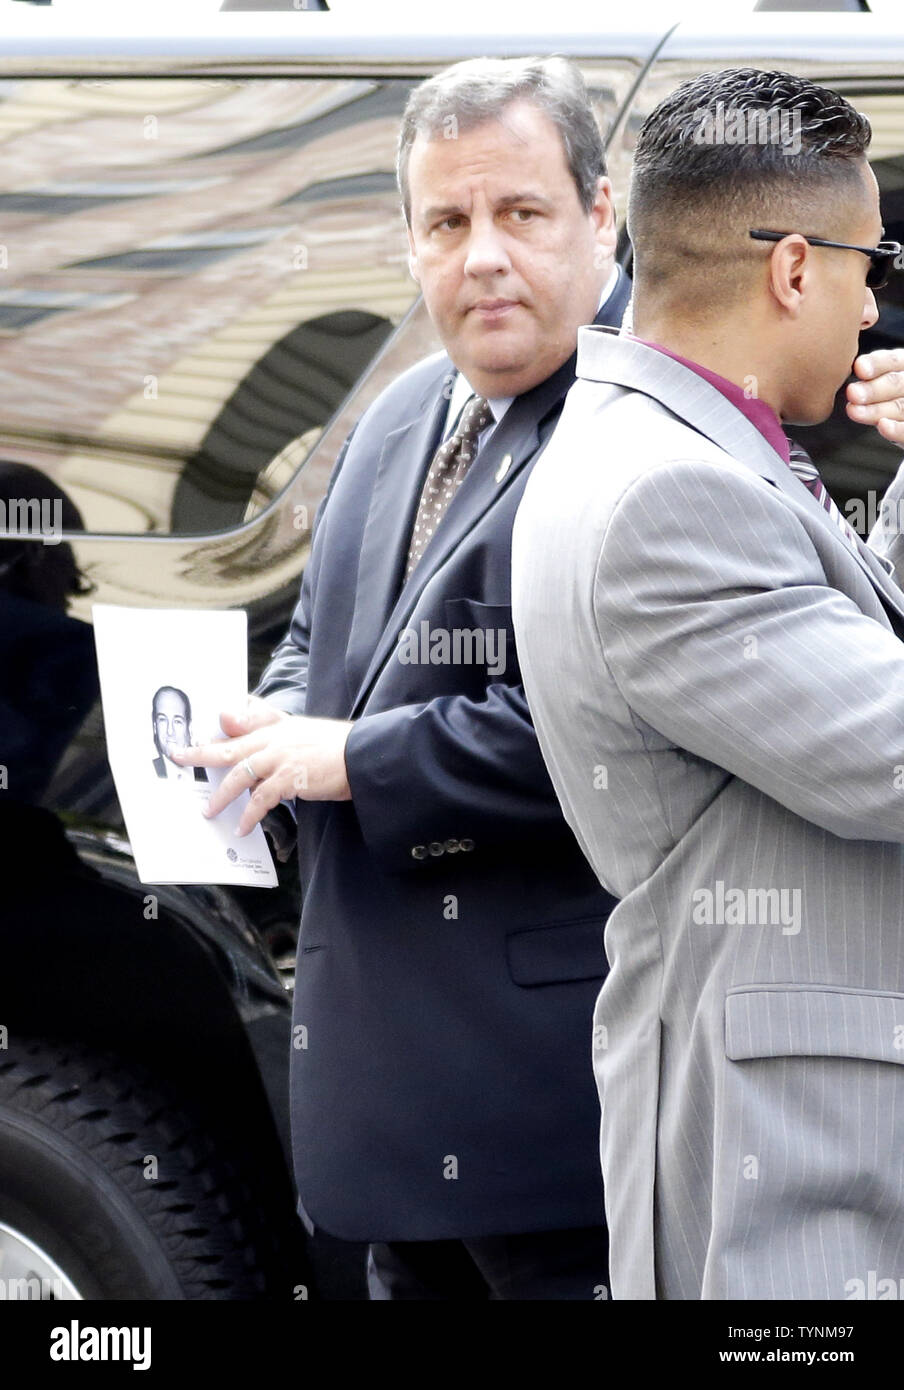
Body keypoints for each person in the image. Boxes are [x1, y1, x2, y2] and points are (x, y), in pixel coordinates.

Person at [170, 56, 629, 1300]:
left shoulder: (651, 423)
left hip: (557, 1113)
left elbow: (613, 719)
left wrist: (351, 758)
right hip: (383, 1104)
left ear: (601, 212)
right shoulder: (398, 413)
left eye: (519, 214)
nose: (480, 256)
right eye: (445, 222)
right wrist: (277, 712)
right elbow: (328, 637)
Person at [511, 66, 904, 1300]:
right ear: (795, 267)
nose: (872, 313)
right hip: (786, 1160)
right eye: (869, 269)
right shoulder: (668, 492)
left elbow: (847, 640)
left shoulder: (680, 446)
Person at [151, 686, 208, 782]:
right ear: (155, 727)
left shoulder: (207, 771)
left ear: (189, 727)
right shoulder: (145, 771)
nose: (169, 731)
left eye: (177, 721)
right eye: (162, 720)